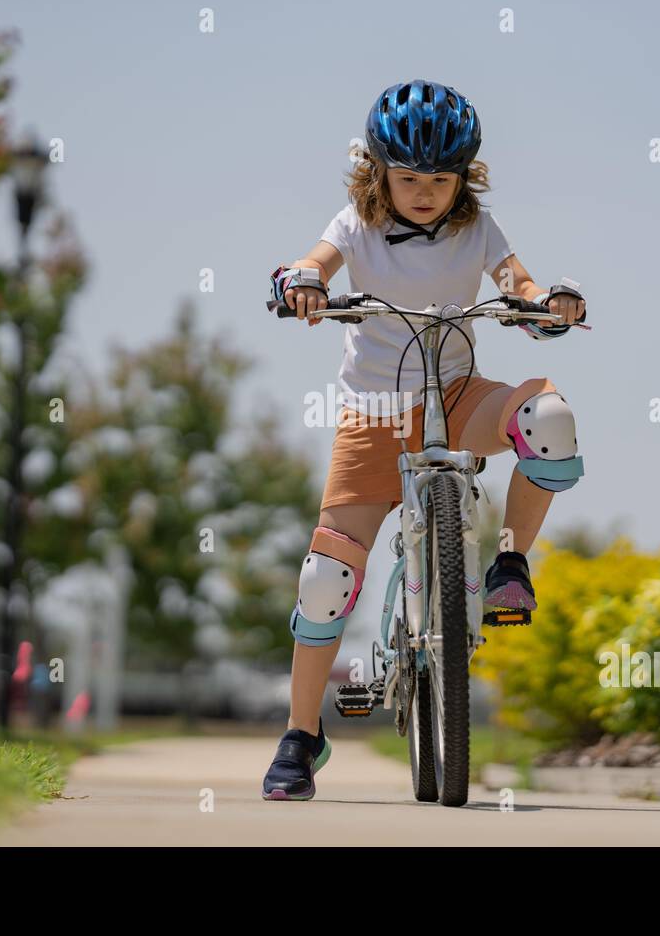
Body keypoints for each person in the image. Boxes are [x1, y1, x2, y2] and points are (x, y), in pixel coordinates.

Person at [262, 80, 586, 801]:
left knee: (550, 417)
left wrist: (544, 307)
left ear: (463, 177)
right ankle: (300, 736)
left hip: (459, 397)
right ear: (377, 171)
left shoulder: (479, 229)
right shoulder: (354, 224)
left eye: (440, 180)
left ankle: (509, 565)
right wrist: (303, 282)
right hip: (373, 417)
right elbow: (313, 262)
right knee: (326, 581)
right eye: (407, 178)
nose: (424, 192)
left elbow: (518, 282)